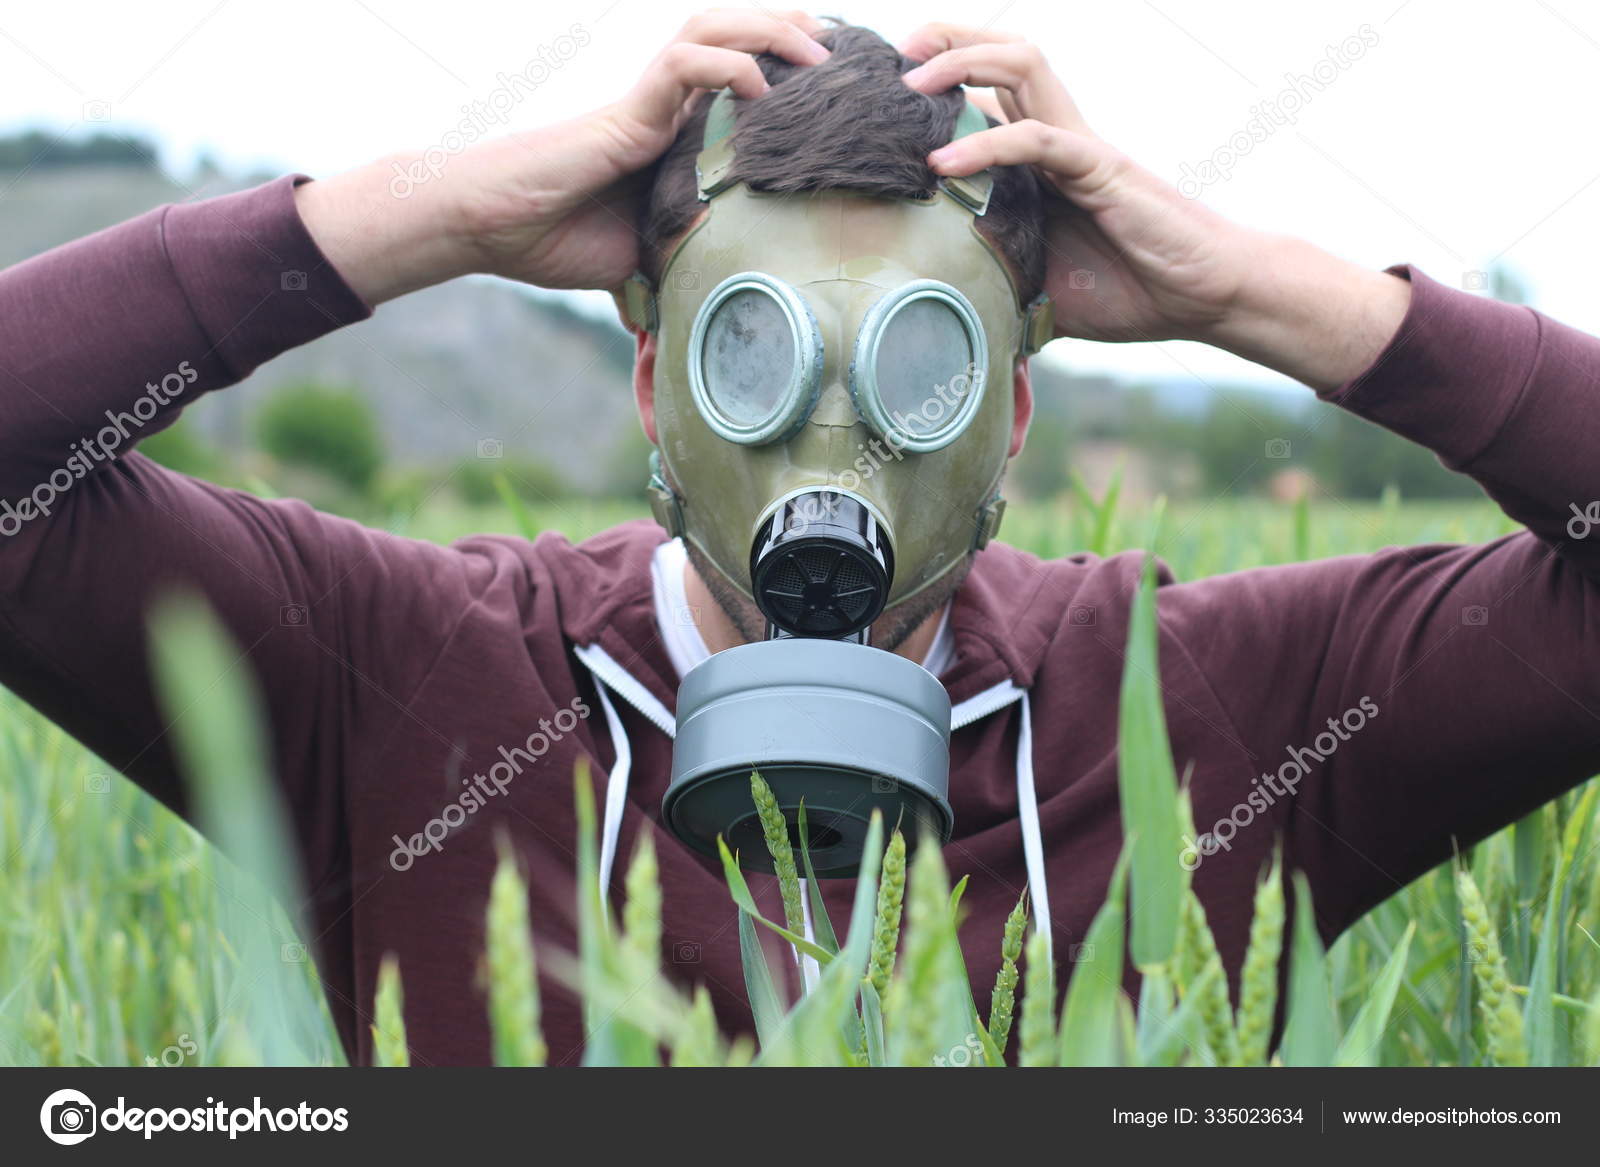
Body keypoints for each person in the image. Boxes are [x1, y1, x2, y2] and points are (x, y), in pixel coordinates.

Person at [1, 14, 1594, 1066]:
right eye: (744, 352)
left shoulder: (1207, 718)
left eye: (923, 366)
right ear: (649, 377)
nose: (825, 438)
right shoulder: (406, 680)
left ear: (1016, 420)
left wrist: (1249, 286)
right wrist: (435, 214)